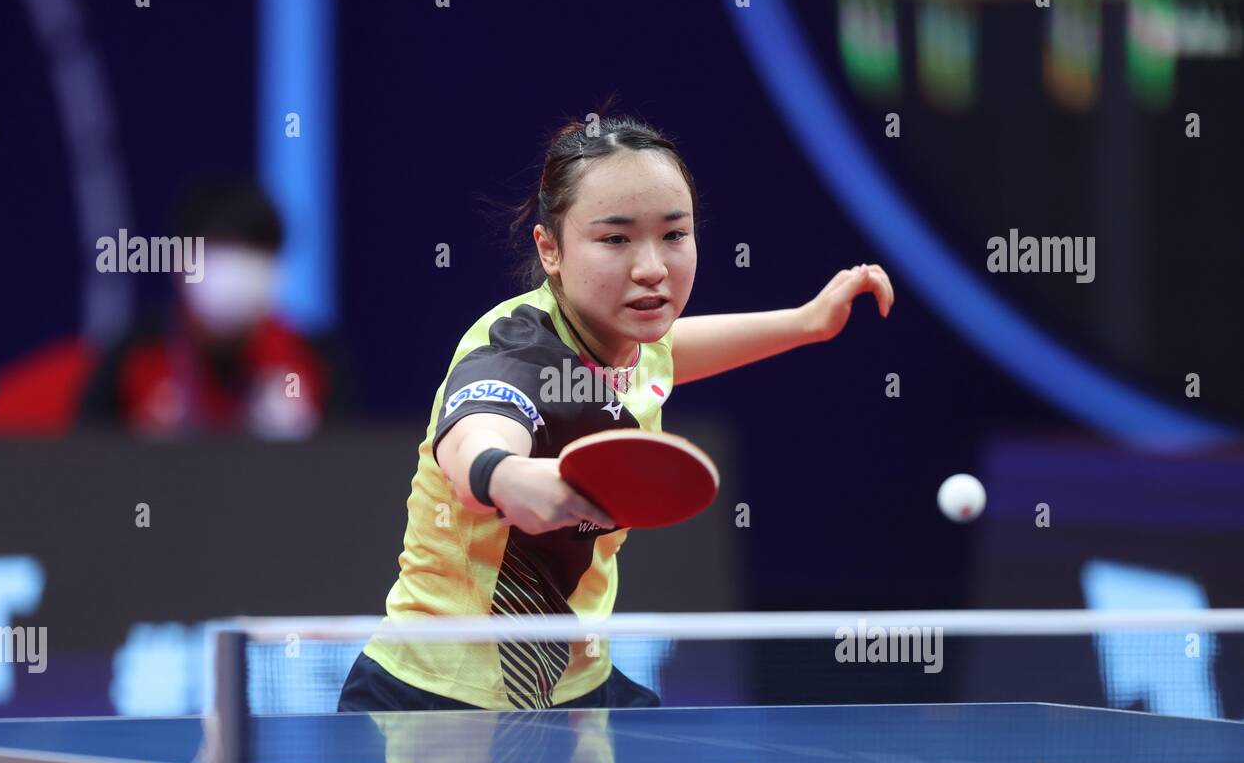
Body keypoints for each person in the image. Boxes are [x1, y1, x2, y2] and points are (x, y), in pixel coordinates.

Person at [339, 113, 893, 712]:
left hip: (574, 686)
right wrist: (507, 476)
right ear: (550, 248)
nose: (652, 266)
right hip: (437, 697)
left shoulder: (634, 335)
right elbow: (474, 431)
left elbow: (671, 352)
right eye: (615, 239)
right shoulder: (517, 347)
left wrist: (806, 323)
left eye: (674, 235)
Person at [78, 179, 340, 438]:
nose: (236, 280)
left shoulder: (317, 362)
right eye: (220, 252)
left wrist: (305, 445)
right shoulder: (130, 359)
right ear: (179, 264)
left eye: (252, 255)